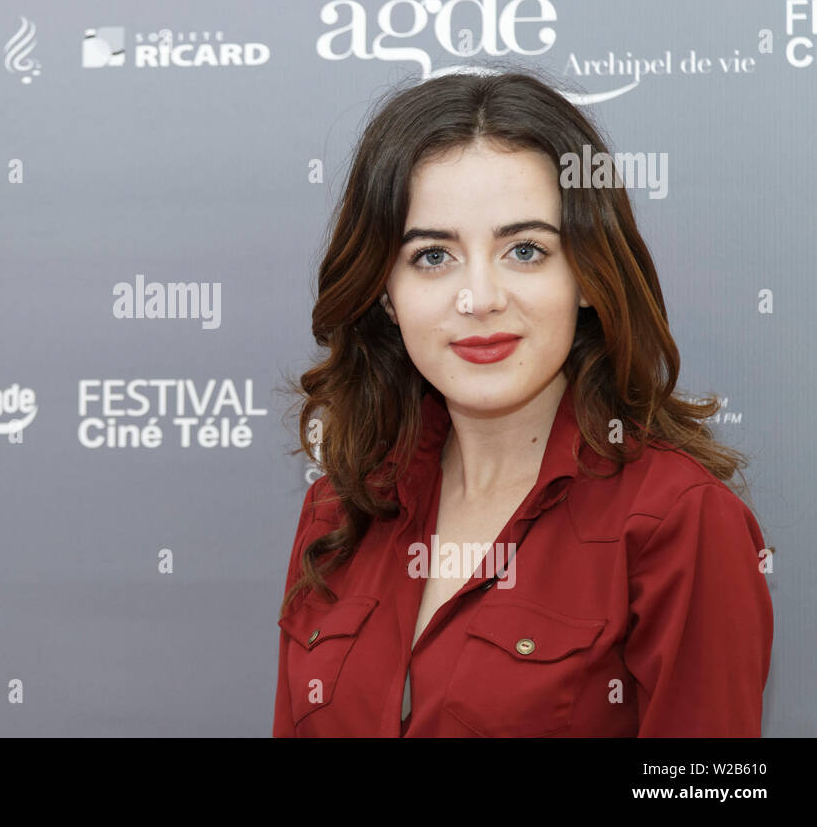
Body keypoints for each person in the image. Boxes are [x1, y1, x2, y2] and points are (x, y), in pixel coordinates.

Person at [274, 68, 773, 737]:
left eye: (526, 250)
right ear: (385, 292)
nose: (480, 298)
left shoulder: (677, 523)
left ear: (589, 277)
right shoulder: (339, 512)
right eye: (432, 257)